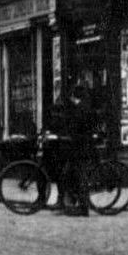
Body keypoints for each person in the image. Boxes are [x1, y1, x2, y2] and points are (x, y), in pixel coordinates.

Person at [46, 83, 94, 216]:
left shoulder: (81, 109)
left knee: (79, 175)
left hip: (81, 149)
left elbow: (77, 129)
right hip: (79, 147)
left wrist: (65, 137)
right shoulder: (82, 107)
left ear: (75, 96)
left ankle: (83, 208)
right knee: (68, 174)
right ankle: (69, 203)